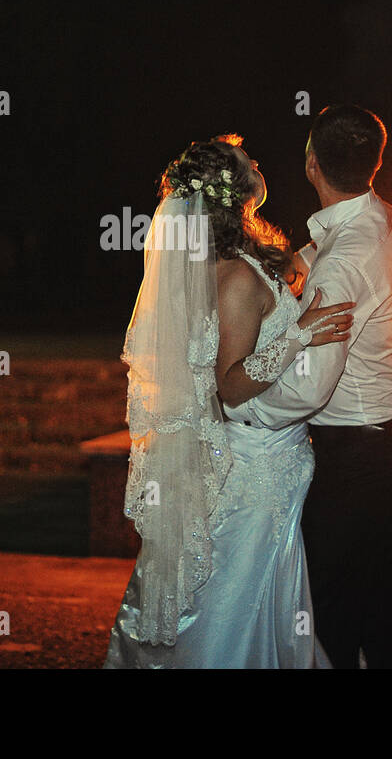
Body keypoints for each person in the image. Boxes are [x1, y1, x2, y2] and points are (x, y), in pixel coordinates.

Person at [103, 133, 353, 668]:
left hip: (273, 463)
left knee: (264, 599)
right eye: (248, 161)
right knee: (231, 604)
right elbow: (232, 383)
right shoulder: (236, 277)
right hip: (254, 471)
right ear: (232, 190)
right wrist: (300, 334)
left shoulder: (237, 260)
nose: (258, 161)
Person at [223, 104, 392, 669]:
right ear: (373, 165)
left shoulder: (342, 265)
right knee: (369, 597)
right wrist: (287, 260)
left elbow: (310, 390)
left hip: (356, 452)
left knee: (328, 608)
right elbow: (320, 254)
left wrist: (243, 409)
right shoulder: (383, 218)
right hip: (390, 439)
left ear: (311, 162)